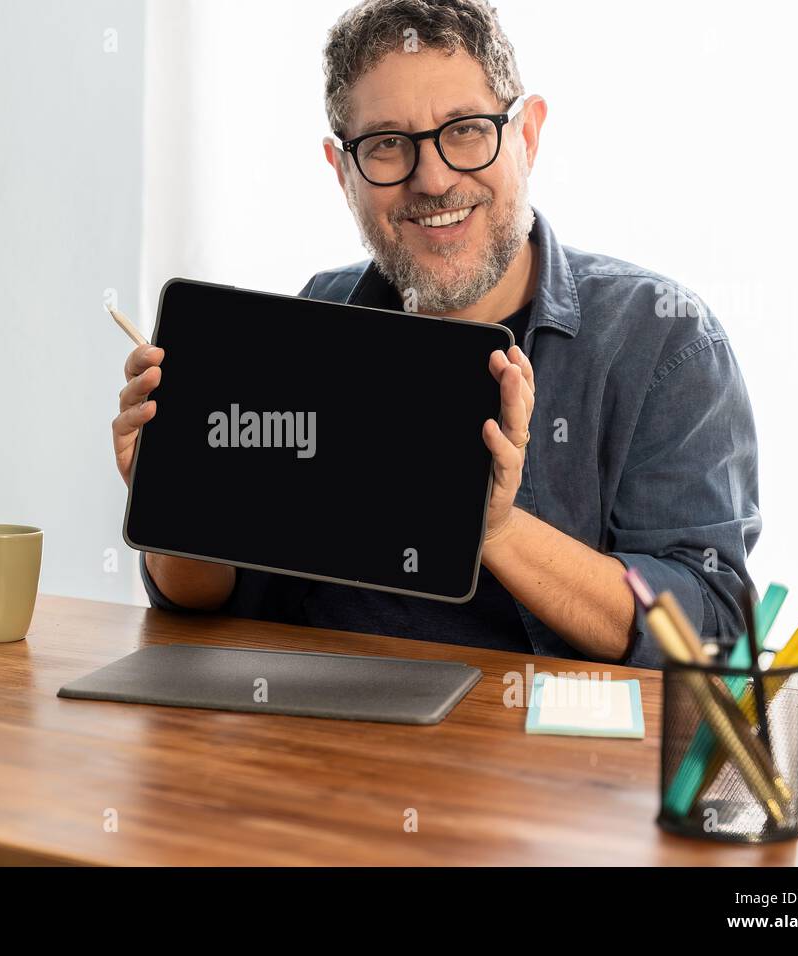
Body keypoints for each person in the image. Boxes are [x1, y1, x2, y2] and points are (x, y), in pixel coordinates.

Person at [111, 0, 760, 667]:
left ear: (527, 135)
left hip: (531, 758)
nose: (435, 178)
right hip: (303, 741)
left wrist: (496, 528)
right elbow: (215, 599)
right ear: (343, 170)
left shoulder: (663, 342)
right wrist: (176, 501)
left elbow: (709, 631)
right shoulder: (315, 316)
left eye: (466, 130)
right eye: (387, 143)